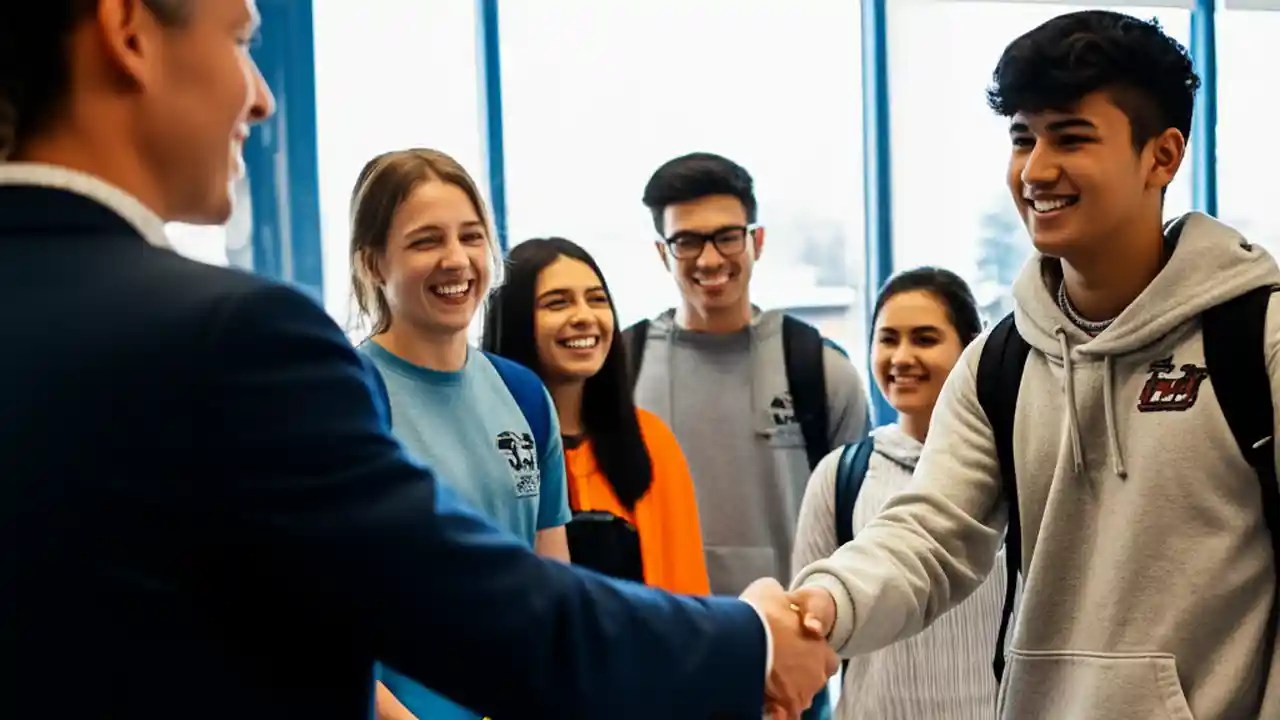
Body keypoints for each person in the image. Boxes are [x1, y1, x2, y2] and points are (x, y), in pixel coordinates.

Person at [0, 2, 838, 718]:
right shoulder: (234, 341)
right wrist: (752, 640)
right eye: (241, 37)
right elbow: (481, 611)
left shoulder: (516, 396)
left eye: (472, 237)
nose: (258, 100)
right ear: (127, 30)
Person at [788, 10, 1280, 719]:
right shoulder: (1001, 362)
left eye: (1072, 138)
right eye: (1023, 139)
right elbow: (929, 535)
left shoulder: (1254, 338)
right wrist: (822, 606)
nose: (1036, 170)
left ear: (1163, 157)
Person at [348, 148, 574, 720]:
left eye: (471, 237)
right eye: (426, 241)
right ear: (373, 263)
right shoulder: (342, 402)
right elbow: (318, 613)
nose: (457, 260)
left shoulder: (523, 395)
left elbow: (551, 594)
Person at [625, 152, 871, 598]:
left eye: (726, 237)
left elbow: (861, 522)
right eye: (687, 241)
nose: (710, 258)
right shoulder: (624, 369)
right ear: (664, 253)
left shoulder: (819, 371)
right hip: (657, 638)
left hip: (788, 644)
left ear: (756, 242)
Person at [792, 267, 1002, 719]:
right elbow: (809, 636)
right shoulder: (841, 475)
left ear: (972, 349)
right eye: (888, 339)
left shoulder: (1013, 472)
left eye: (925, 339)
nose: (902, 357)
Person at [483, 237, 710, 594]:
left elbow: (686, 595)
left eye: (597, 300)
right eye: (557, 303)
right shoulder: (490, 445)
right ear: (515, 321)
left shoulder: (651, 441)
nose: (584, 317)